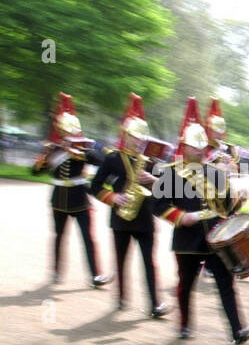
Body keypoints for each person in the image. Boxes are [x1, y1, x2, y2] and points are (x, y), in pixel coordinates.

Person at [153, 97, 249, 343]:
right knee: (186, 284)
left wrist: (238, 198)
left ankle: (237, 330)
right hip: (187, 238)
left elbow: (225, 206)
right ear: (184, 146)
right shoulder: (170, 173)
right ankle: (185, 325)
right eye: (193, 147)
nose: (198, 151)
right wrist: (180, 217)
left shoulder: (214, 172)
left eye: (201, 147)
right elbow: (157, 205)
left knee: (225, 284)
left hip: (215, 238)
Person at [90, 93, 166, 317]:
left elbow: (164, 190)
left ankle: (154, 304)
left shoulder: (152, 161)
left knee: (149, 263)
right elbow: (95, 186)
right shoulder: (113, 158)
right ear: (126, 135)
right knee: (121, 261)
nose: (139, 142)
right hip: (121, 217)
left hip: (145, 217)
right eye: (135, 137)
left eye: (142, 138)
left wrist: (153, 180)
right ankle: (122, 298)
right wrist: (113, 198)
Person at [33, 93, 110, 288]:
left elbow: (102, 162)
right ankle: (57, 272)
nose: (70, 136)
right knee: (59, 236)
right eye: (67, 133)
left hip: (79, 198)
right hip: (59, 199)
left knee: (88, 237)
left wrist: (85, 155)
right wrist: (45, 158)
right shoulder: (54, 150)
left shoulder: (83, 149)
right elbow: (36, 171)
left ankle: (95, 275)